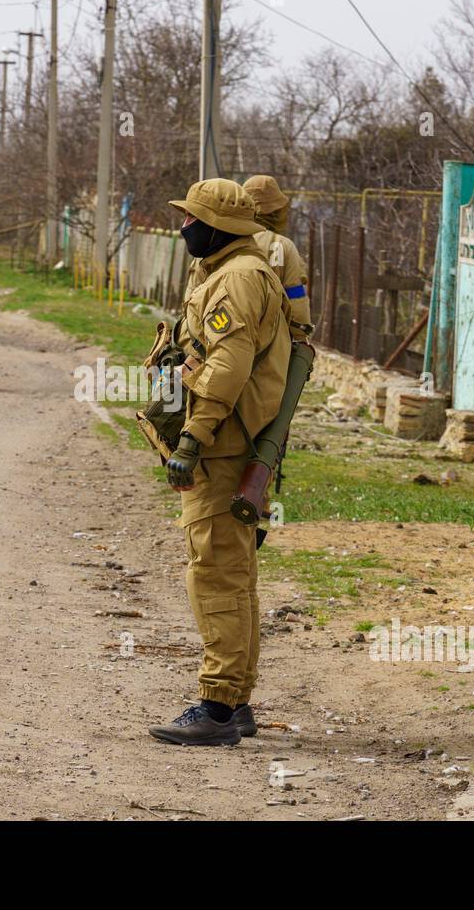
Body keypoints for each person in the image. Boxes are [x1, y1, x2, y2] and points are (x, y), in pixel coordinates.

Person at [147, 178, 290, 747]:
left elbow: (227, 367)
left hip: (223, 447)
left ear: (218, 228)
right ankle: (236, 701)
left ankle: (217, 708)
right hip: (232, 443)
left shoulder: (236, 279)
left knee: (215, 575)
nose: (184, 227)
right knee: (235, 574)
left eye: (192, 219)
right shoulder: (232, 270)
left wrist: (192, 438)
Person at [243, 175, 313, 342]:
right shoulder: (282, 245)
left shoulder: (222, 238)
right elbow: (296, 298)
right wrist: (300, 337)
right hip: (269, 342)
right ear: (277, 211)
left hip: (221, 336)